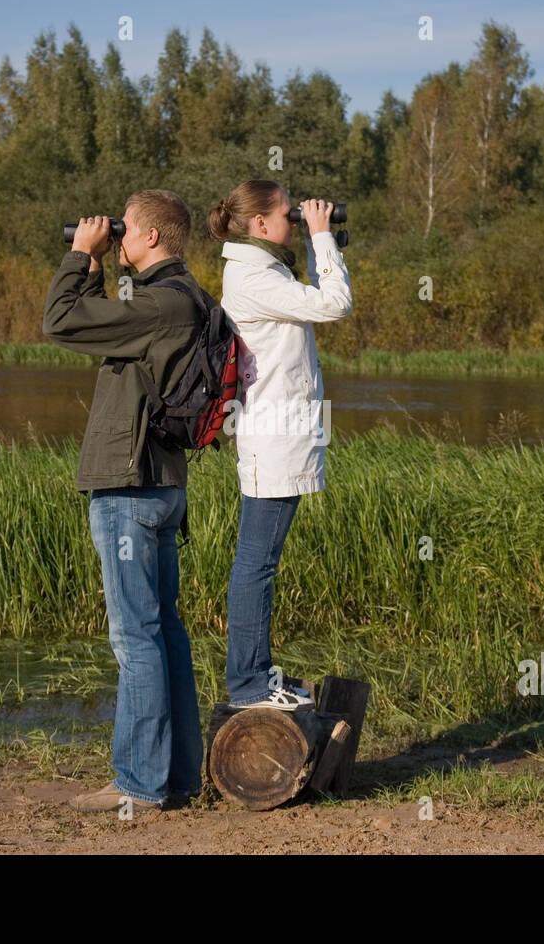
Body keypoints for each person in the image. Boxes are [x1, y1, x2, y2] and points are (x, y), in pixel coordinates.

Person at [42, 189, 205, 812]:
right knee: (164, 632)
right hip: (163, 485)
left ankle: (138, 784)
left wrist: (81, 254)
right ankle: (180, 777)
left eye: (126, 231)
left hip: (128, 488)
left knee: (135, 637)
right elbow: (97, 323)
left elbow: (61, 322)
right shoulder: (180, 298)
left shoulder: (157, 305)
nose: (118, 237)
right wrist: (98, 265)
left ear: (154, 237)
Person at [207, 180, 352, 710]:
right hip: (272, 438)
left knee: (259, 561)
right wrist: (321, 235)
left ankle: (257, 675)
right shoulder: (252, 277)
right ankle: (248, 684)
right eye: (288, 215)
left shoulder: (264, 271)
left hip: (280, 434)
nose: (295, 220)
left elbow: (317, 307)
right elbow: (336, 305)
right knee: (256, 564)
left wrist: (319, 239)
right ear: (260, 225)